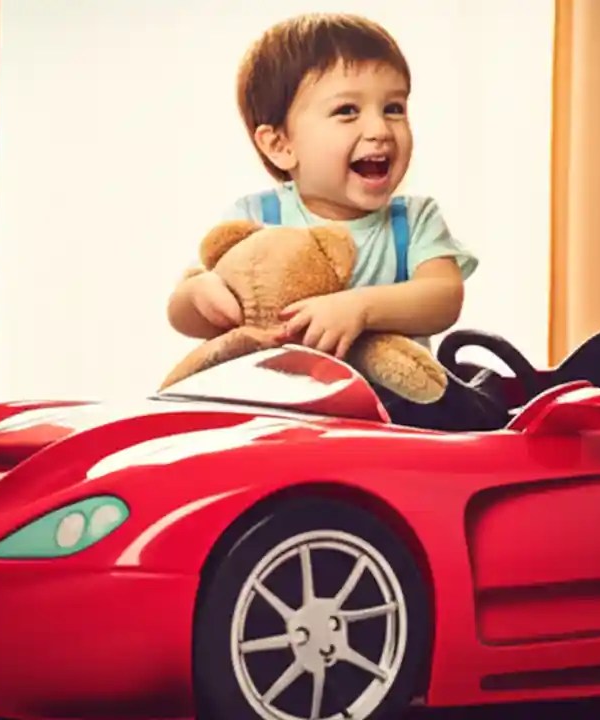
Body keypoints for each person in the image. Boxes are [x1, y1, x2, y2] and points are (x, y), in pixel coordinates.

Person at [166, 13, 509, 431]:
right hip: (278, 419)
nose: (380, 128)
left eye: (394, 108)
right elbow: (185, 316)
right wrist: (202, 295)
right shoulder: (257, 218)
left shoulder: (413, 220)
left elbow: (443, 297)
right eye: (348, 110)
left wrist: (360, 308)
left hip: (395, 421)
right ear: (280, 145)